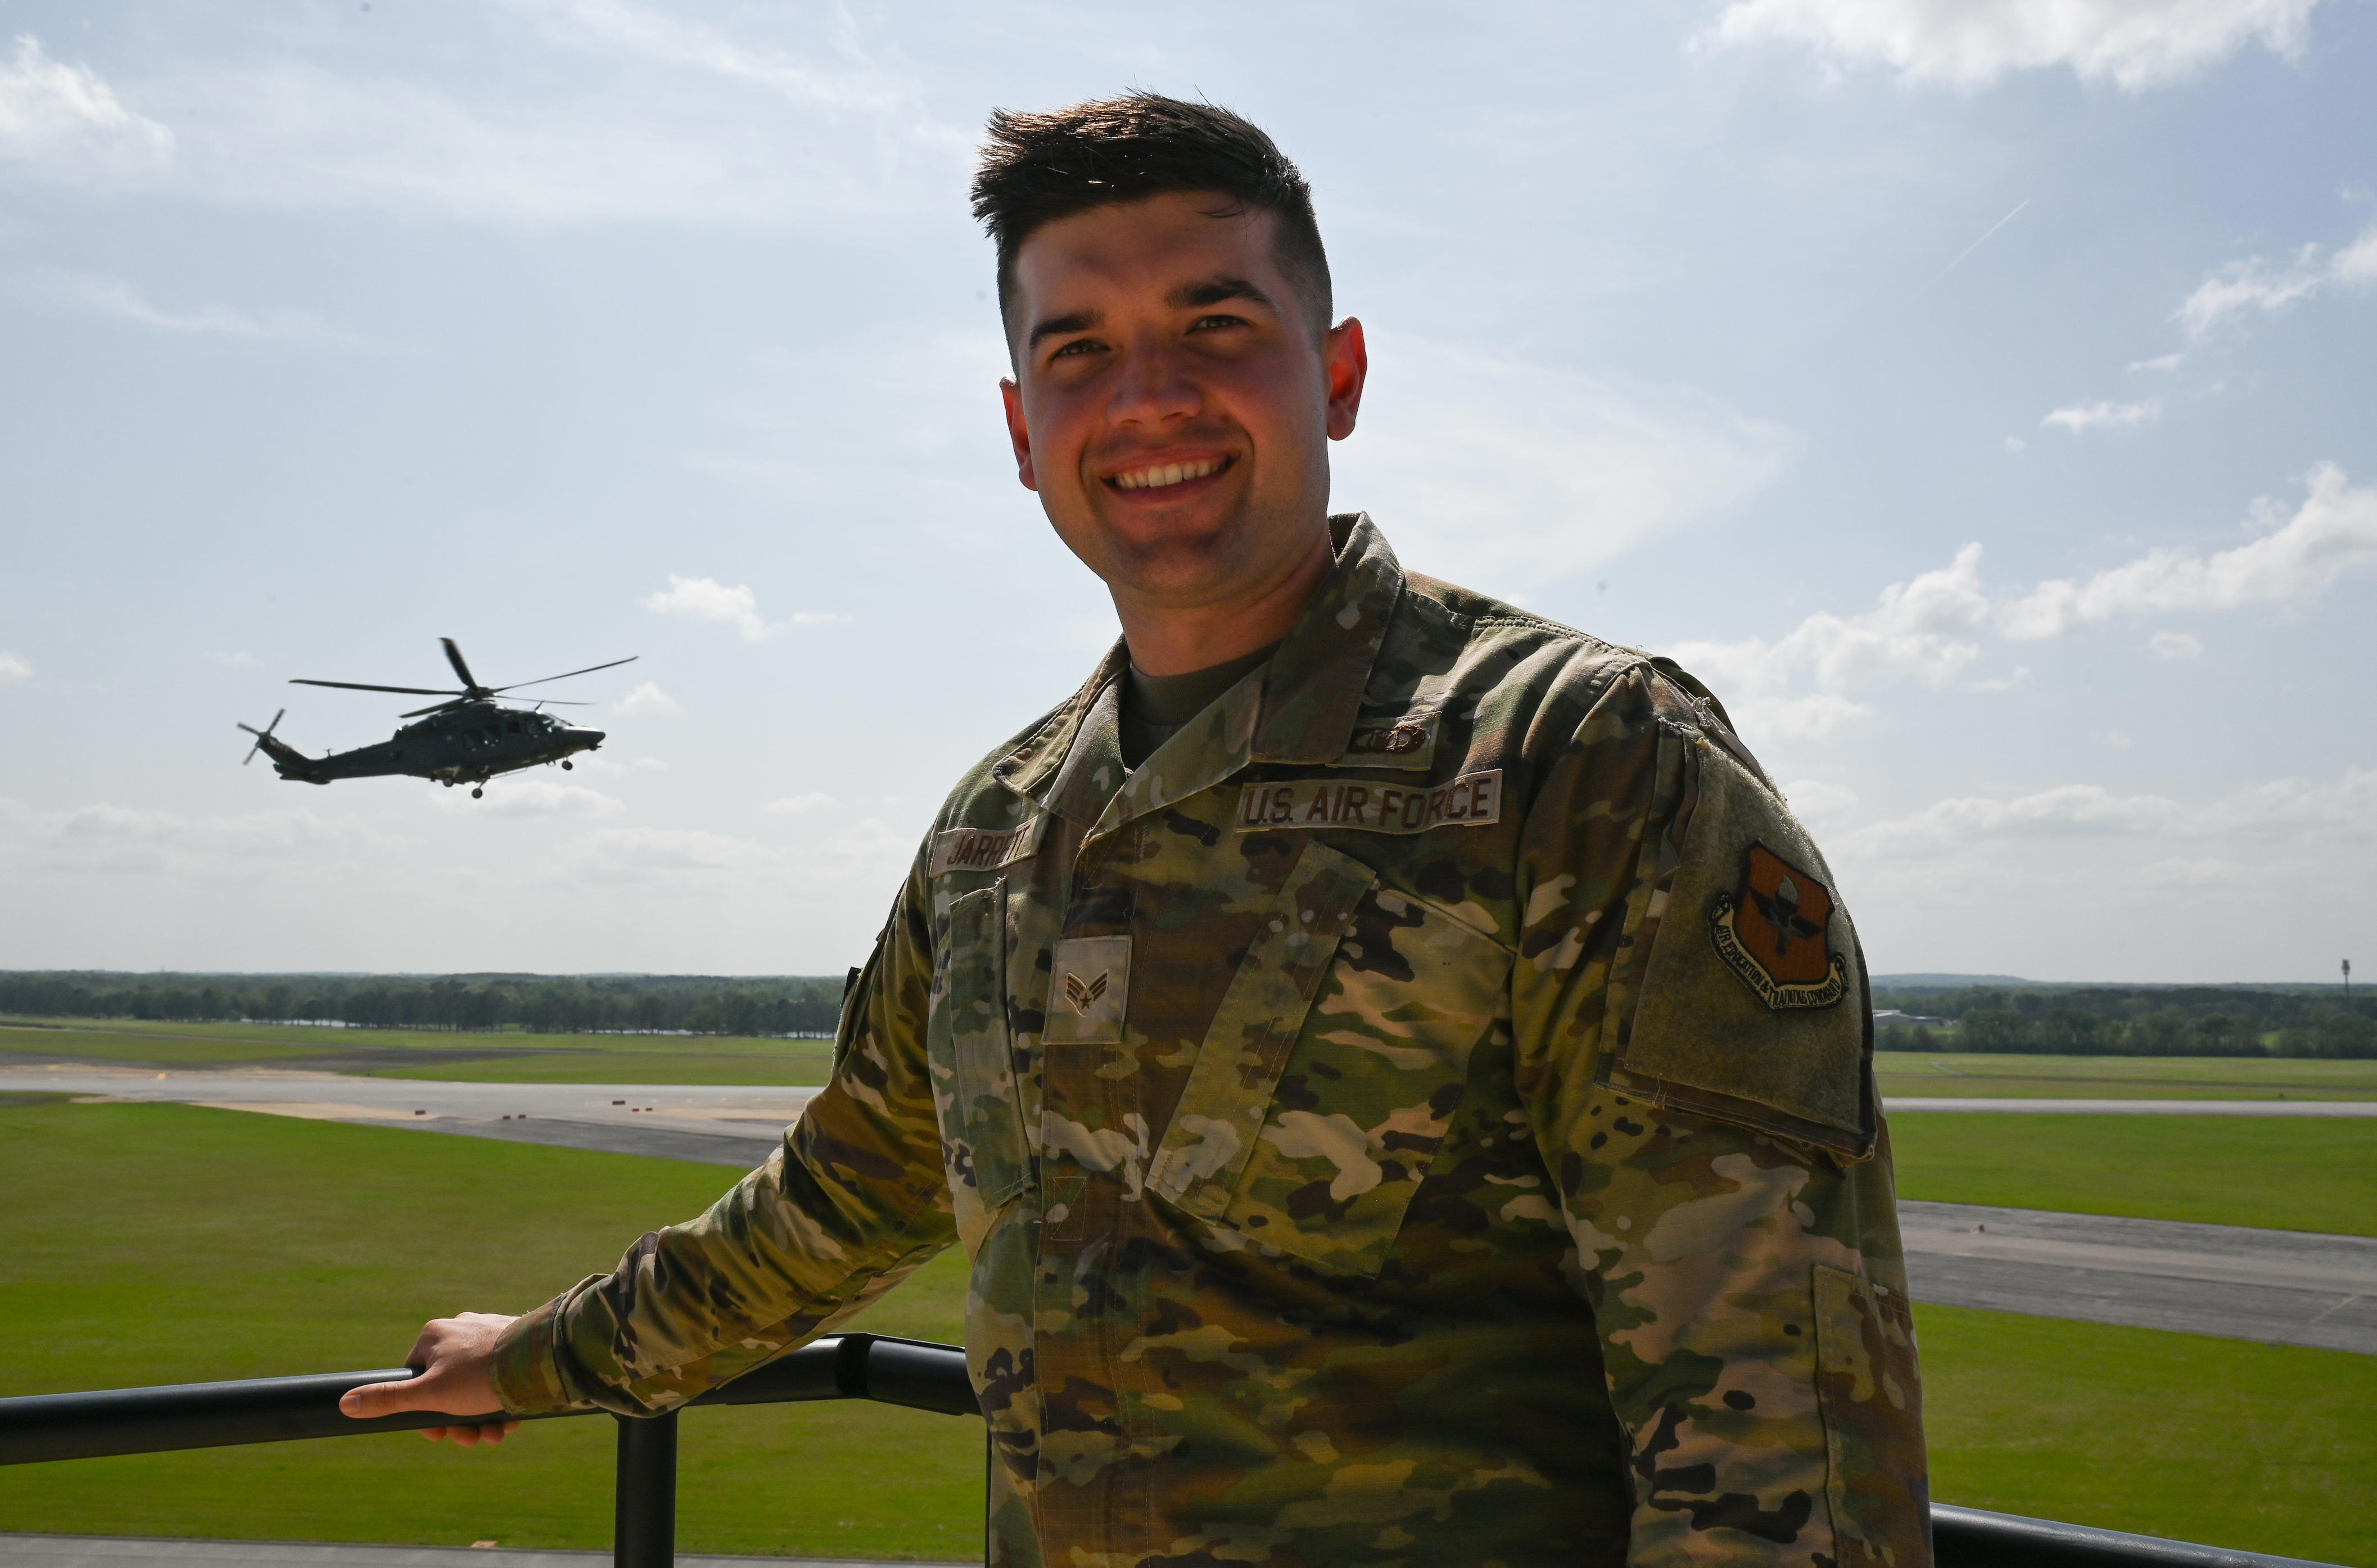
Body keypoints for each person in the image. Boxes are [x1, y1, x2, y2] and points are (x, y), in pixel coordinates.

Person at [344, 93, 1930, 1568]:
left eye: (1215, 326)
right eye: (1079, 349)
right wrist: (538, 1356)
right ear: (1022, 427)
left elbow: (1773, 1431)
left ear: (1340, 376)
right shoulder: (1001, 835)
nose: (1149, 396)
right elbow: (836, 1204)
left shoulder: (1576, 761)